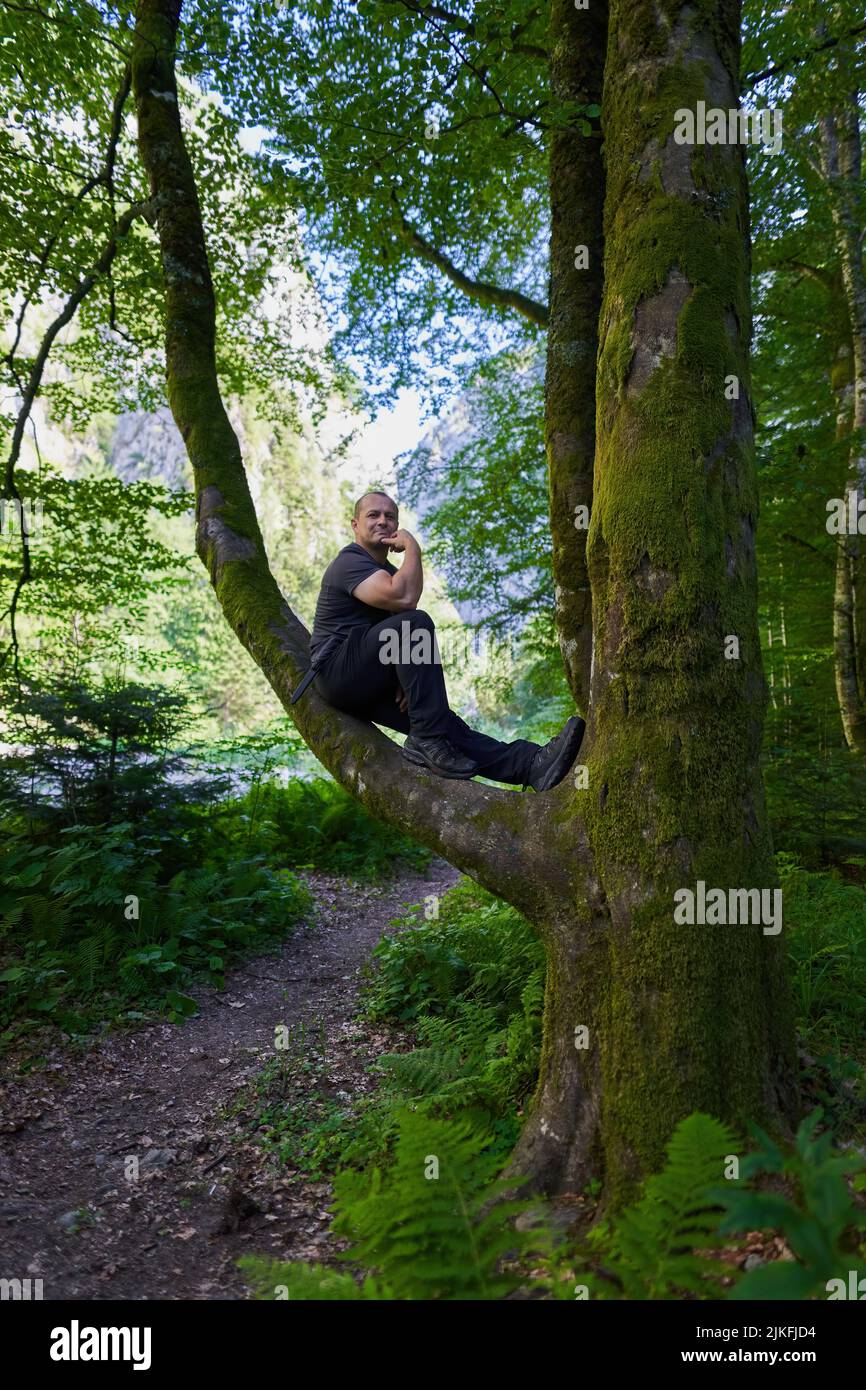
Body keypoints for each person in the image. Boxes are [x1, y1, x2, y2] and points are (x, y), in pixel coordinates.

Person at [307, 490, 585, 787]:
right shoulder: (350, 561)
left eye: (390, 516)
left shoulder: (386, 570)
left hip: (367, 680)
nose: (383, 521)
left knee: (440, 723)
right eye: (373, 515)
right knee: (416, 626)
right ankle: (425, 739)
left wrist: (401, 679)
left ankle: (531, 765)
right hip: (336, 673)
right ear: (355, 524)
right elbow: (404, 599)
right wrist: (413, 547)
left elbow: (396, 620)